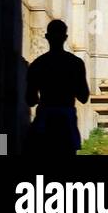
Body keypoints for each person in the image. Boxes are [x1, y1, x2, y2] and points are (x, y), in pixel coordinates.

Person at [25, 19, 90, 157]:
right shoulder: (76, 63)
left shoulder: (38, 64)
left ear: (47, 37)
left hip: (45, 121)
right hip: (66, 121)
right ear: (65, 38)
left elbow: (30, 99)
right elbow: (83, 97)